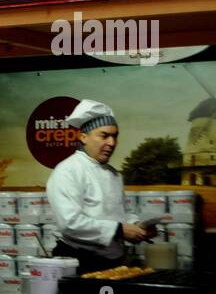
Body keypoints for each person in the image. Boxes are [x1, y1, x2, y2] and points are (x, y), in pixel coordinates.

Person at [46, 99, 154, 274]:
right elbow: (70, 223)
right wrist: (120, 230)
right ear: (83, 137)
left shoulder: (114, 174)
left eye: (115, 136)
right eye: (104, 135)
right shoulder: (67, 171)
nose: (112, 143)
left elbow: (120, 213)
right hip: (80, 262)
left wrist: (138, 227)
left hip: (114, 261)